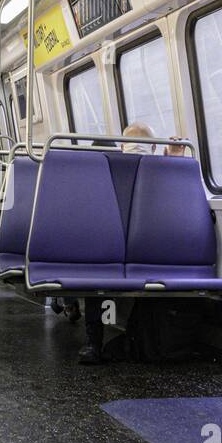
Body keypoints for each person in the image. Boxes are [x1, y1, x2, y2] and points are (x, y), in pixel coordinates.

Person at [78, 123, 188, 365]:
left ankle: (94, 342)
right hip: (150, 246)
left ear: (120, 145)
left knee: (96, 279)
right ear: (156, 146)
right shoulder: (161, 170)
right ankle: (138, 337)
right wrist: (172, 162)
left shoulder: (105, 172)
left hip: (111, 247)